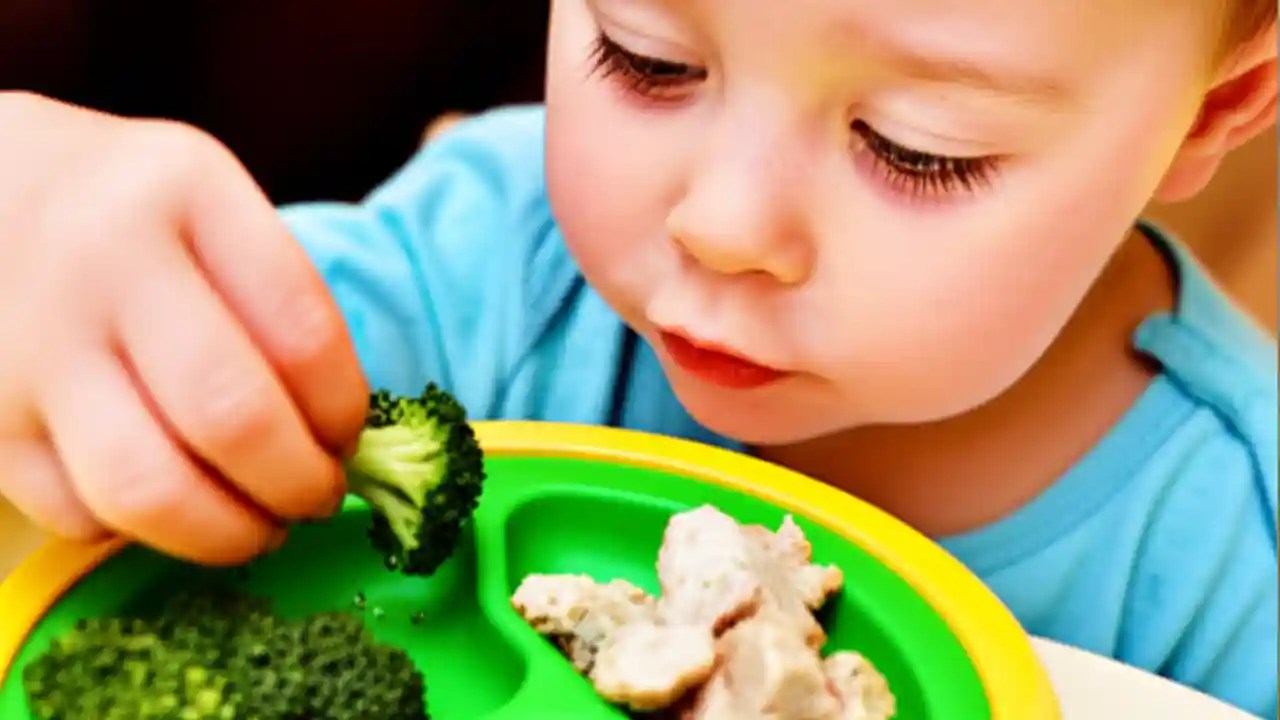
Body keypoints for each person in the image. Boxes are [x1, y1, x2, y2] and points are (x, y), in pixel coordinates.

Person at [0, 0, 1275, 715]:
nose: (717, 224)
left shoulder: (1233, 559)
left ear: (1210, 112)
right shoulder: (482, 276)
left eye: (914, 146)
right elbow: (115, 400)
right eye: (644, 58)